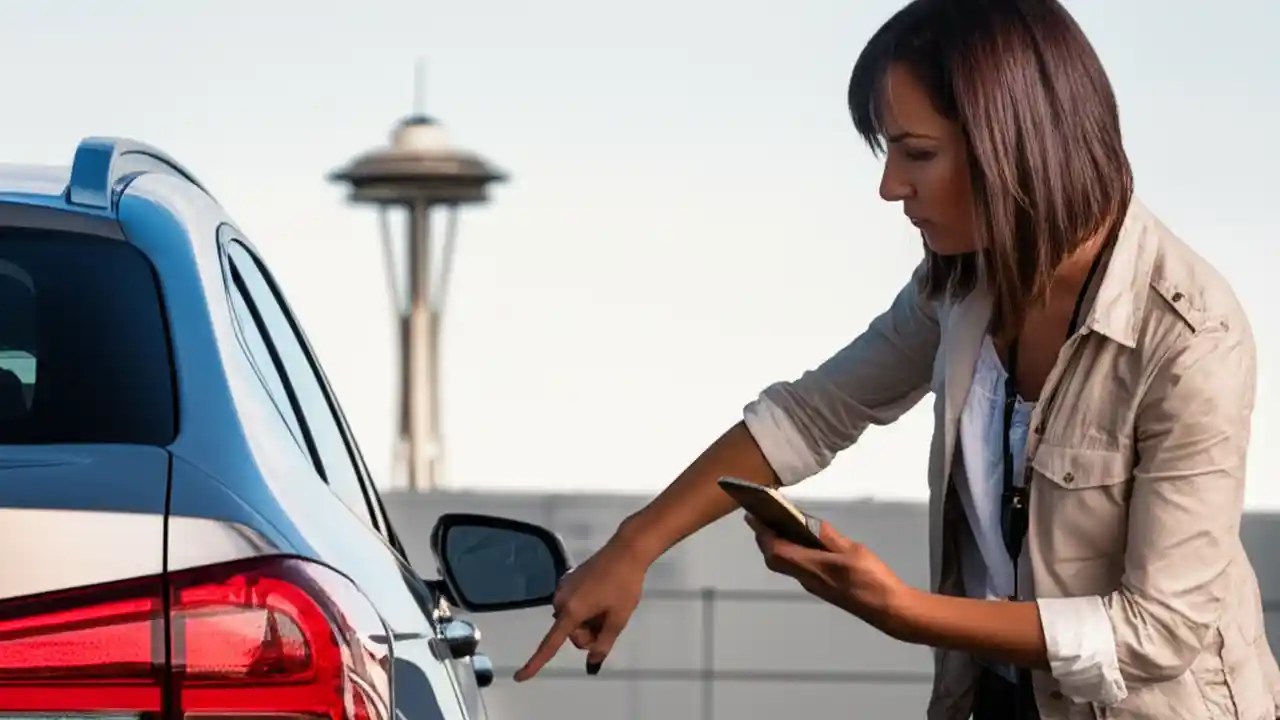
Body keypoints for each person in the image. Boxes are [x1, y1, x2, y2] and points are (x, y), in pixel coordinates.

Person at [514, 0, 1280, 717]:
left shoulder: (1190, 339)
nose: (890, 187)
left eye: (917, 153)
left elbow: (1158, 632)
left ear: (1015, 145)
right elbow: (814, 413)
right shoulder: (961, 282)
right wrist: (633, 547)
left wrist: (904, 612)